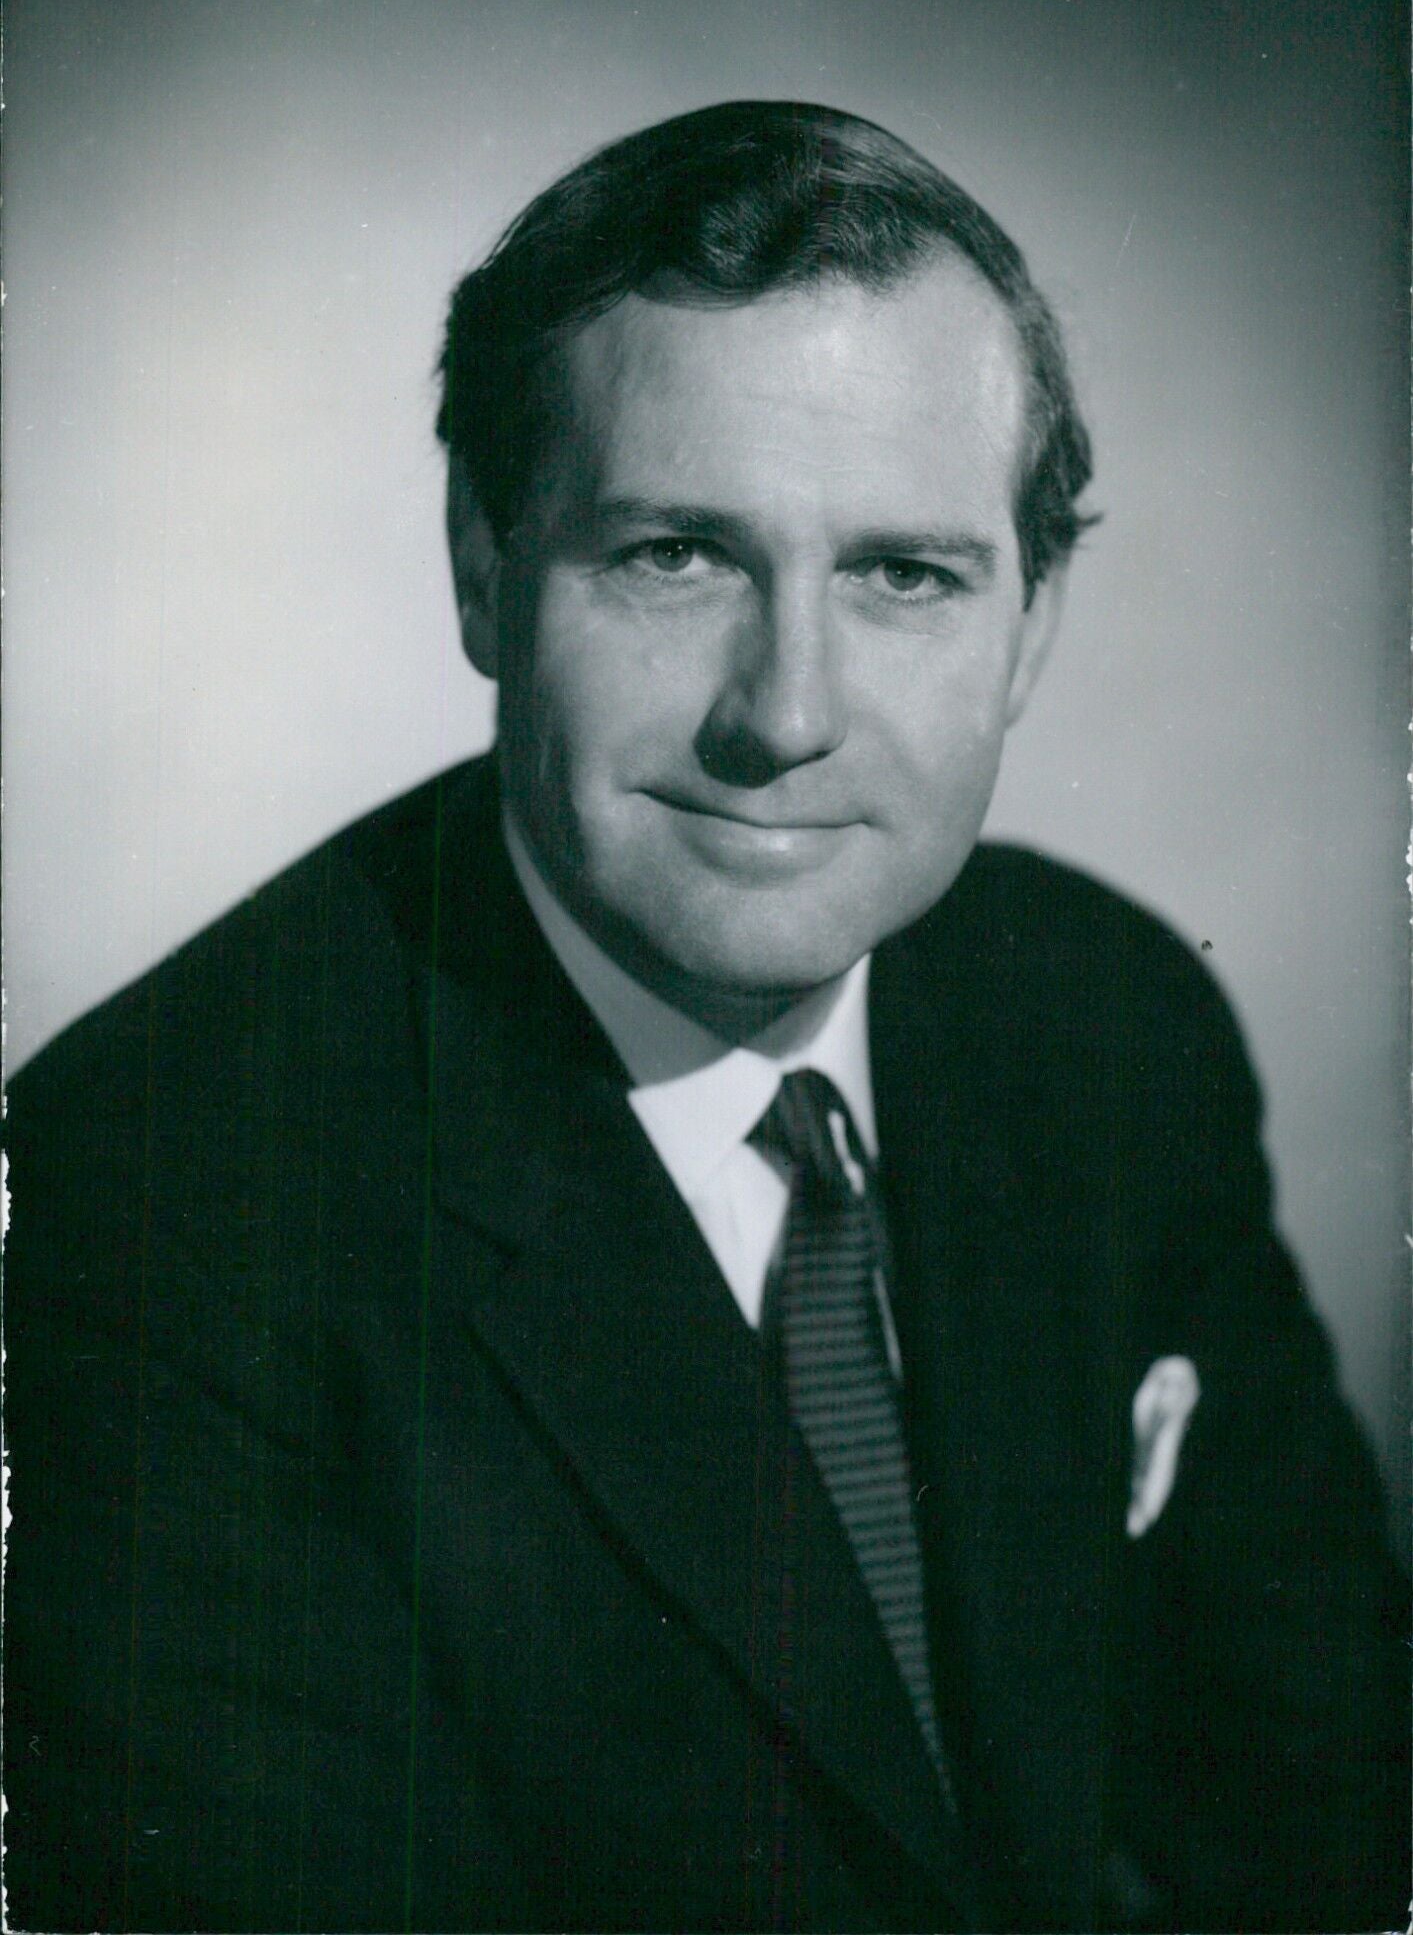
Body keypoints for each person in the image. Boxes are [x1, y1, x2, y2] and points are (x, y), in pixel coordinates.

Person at [4, 100, 1406, 1935]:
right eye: (675, 555)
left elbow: (1330, 1812)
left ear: (1033, 622)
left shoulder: (1107, 1017)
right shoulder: (161, 1200)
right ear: (487, 566)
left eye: (904, 575)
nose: (787, 713)